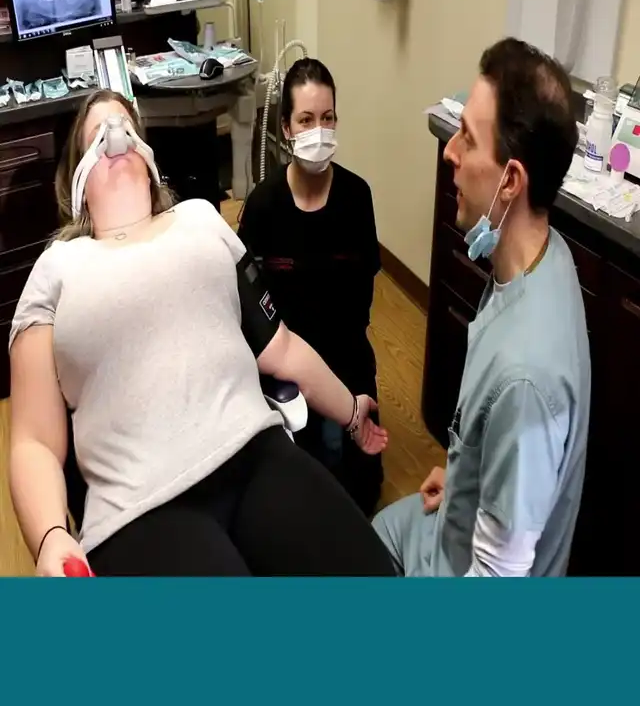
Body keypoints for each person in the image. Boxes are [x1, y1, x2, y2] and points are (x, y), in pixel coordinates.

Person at [8, 88, 397, 578]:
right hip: (140, 504)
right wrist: (51, 537)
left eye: (125, 127)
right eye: (99, 136)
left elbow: (280, 347)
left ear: (148, 158)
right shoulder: (57, 269)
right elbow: (35, 441)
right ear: (77, 181)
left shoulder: (200, 220)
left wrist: (353, 413)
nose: (116, 138)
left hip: (255, 450)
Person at [373, 37, 591, 577]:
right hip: (456, 521)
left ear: (511, 180)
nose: (449, 150)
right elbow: (510, 451)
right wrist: (464, 479)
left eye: (467, 138)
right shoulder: (547, 257)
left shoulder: (526, 377)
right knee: (372, 532)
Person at [238, 58, 383, 517]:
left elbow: (362, 303)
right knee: (290, 492)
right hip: (284, 365)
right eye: (306, 120)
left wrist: (341, 396)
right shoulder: (263, 205)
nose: (318, 130)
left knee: (358, 490)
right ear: (286, 127)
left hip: (345, 359)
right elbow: (248, 308)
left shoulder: (357, 198)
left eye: (327, 118)